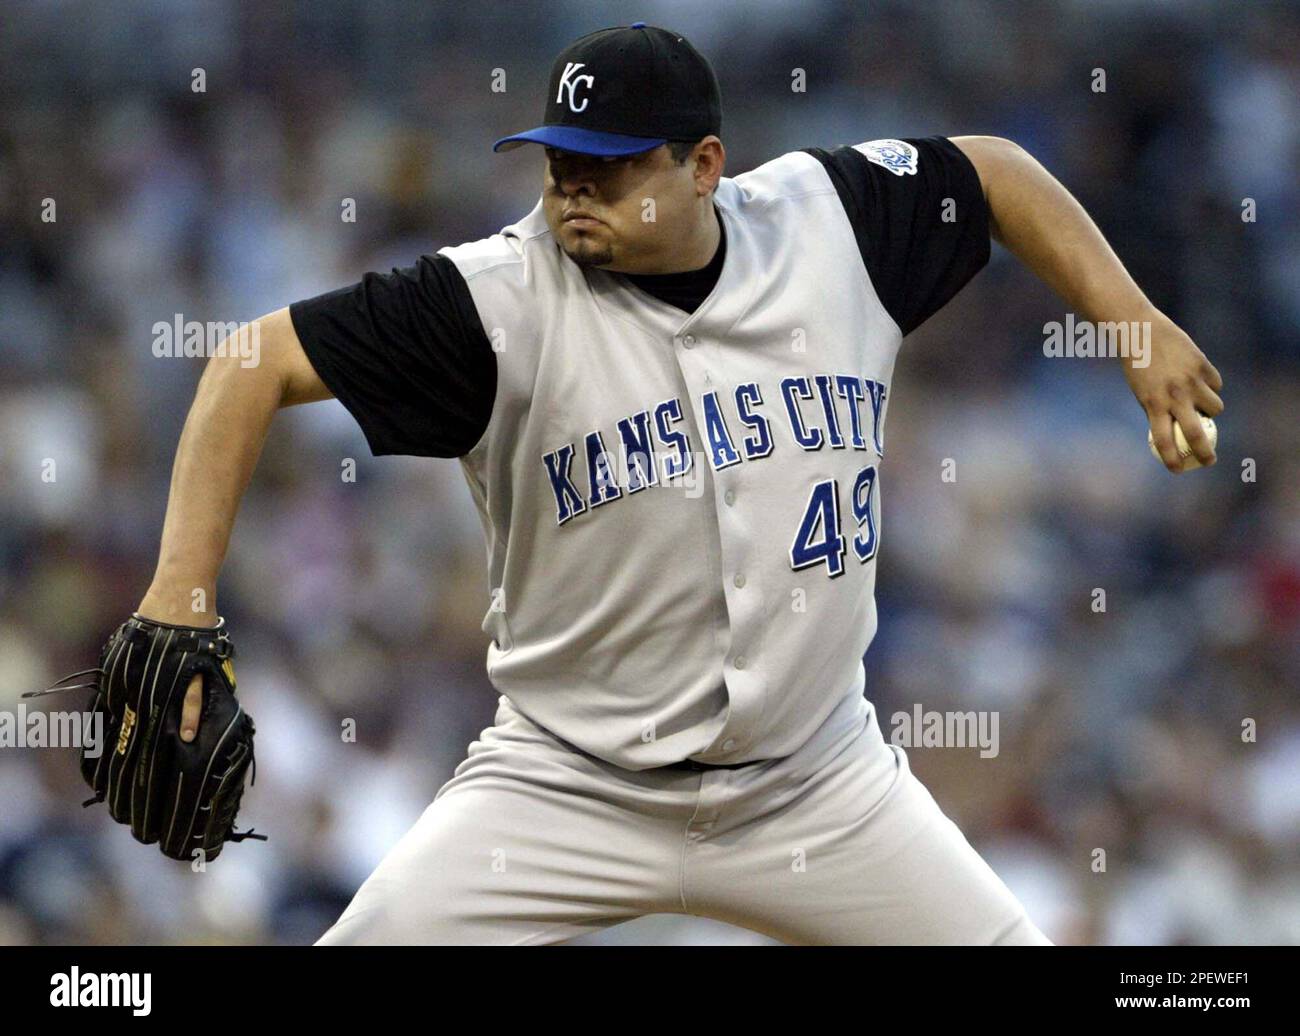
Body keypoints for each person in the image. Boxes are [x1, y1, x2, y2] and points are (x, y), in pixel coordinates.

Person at [134, 23, 1222, 944]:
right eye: (558, 167)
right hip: (565, 783)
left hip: (817, 783)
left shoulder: (831, 223)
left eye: (604, 171)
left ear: (702, 166)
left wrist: (1133, 324)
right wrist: (179, 592)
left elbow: (990, 172)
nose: (570, 196)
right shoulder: (492, 302)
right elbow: (251, 362)